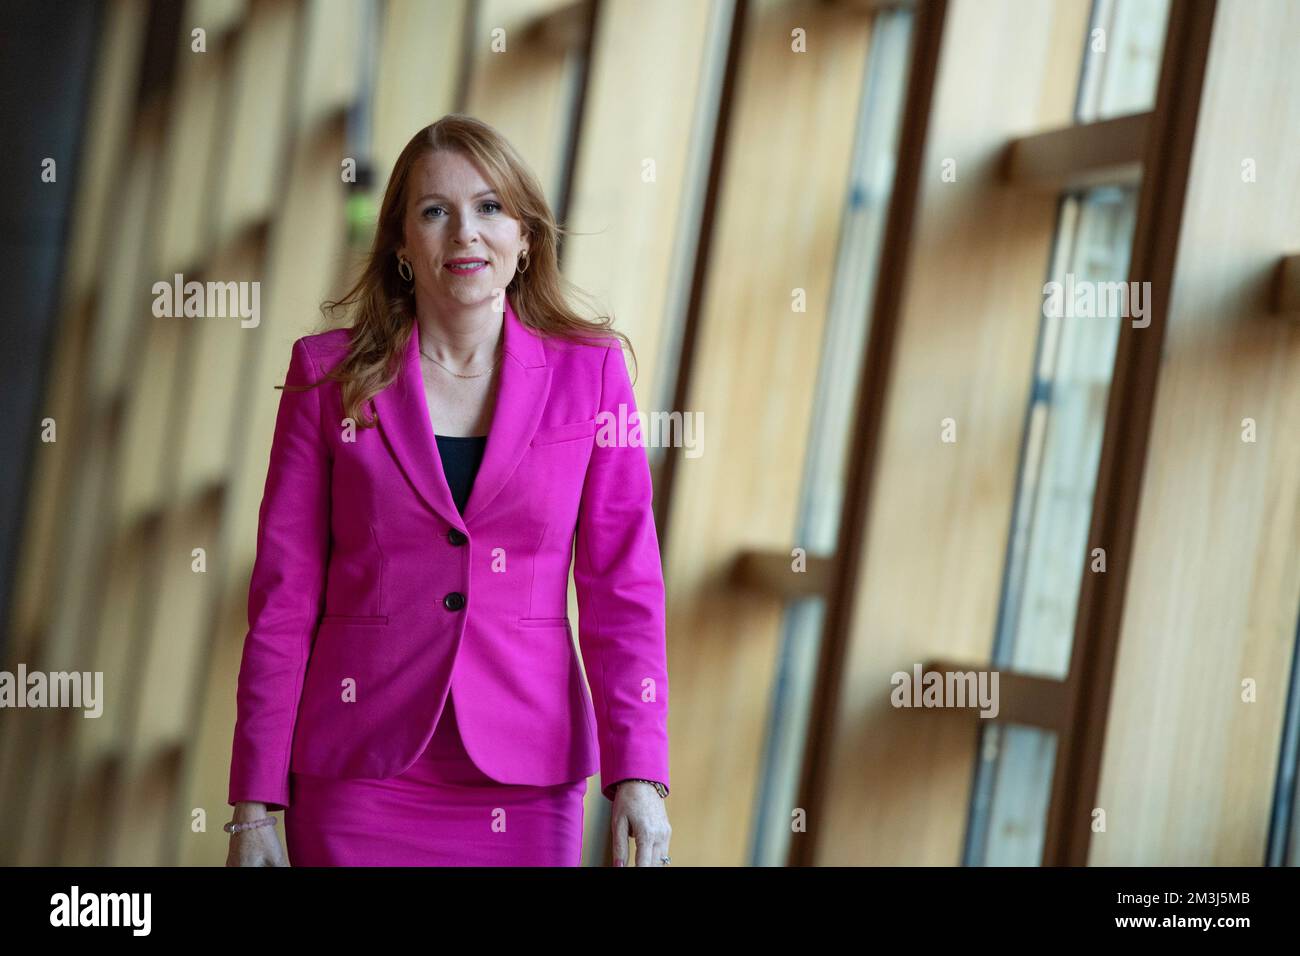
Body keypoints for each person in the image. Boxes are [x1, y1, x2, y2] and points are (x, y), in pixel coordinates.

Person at [225, 114, 671, 866]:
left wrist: (640, 774)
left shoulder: (592, 376)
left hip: (526, 777)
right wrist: (252, 804)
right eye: (435, 211)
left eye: (491, 207)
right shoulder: (325, 378)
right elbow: (284, 595)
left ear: (525, 236)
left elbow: (623, 585)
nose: (466, 233)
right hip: (358, 766)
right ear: (402, 244)